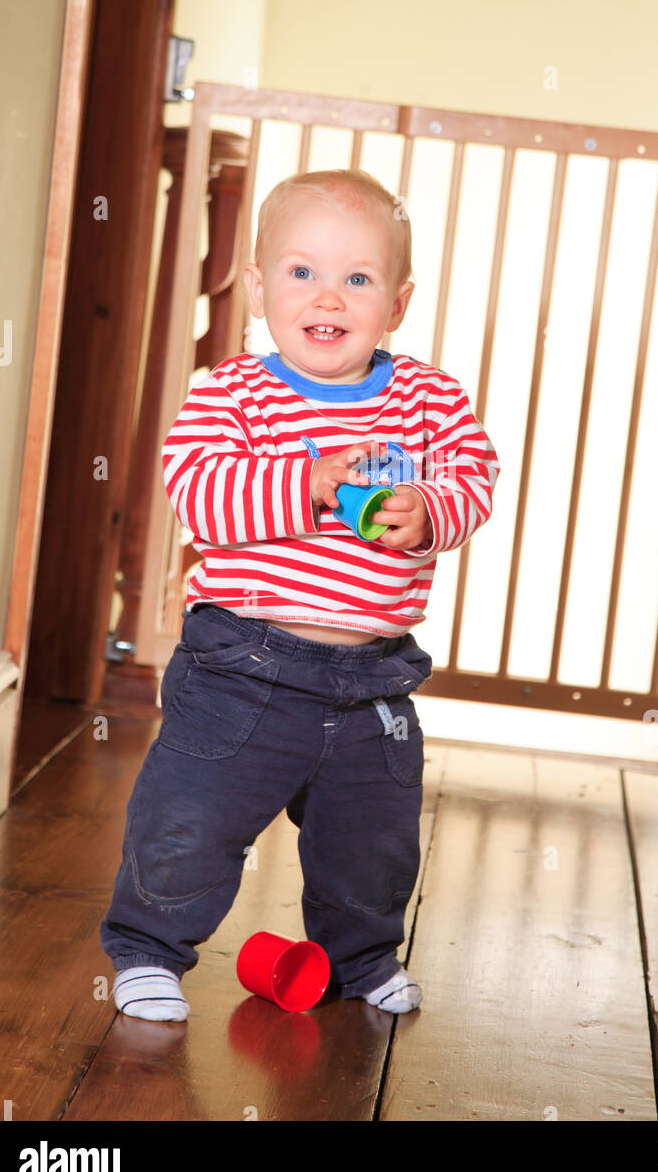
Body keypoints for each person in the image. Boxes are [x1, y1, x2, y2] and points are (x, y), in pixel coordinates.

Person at [99, 167, 500, 1020]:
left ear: (396, 302)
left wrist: (429, 510)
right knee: (192, 815)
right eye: (301, 271)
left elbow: (477, 478)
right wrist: (309, 485)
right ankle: (148, 951)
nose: (329, 296)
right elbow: (195, 489)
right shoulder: (232, 393)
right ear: (256, 286)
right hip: (245, 666)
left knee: (373, 838)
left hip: (375, 680)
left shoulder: (430, 400)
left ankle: (359, 959)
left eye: (358, 278)